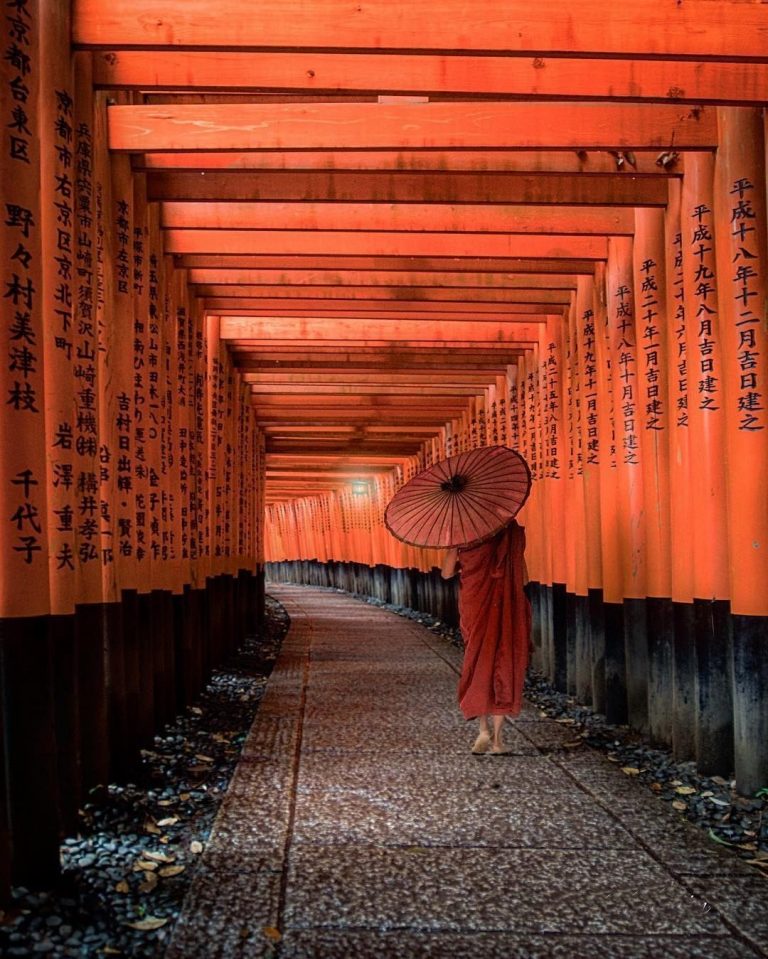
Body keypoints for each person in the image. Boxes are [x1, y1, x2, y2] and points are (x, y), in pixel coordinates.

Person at [441, 518, 532, 755]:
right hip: (504, 607)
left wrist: (455, 549)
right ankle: (499, 741)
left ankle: (483, 730)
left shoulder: (462, 533)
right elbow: (524, 579)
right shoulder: (507, 530)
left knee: (479, 664)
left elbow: (446, 574)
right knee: (503, 665)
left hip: (474, 605)